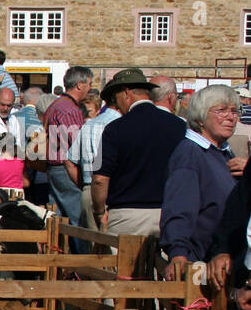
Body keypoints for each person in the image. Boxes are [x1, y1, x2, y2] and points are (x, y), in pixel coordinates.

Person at [160, 85, 246, 281]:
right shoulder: (191, 154)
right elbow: (179, 206)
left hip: (223, 261)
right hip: (201, 264)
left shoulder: (221, 151)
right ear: (200, 117)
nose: (231, 117)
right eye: (221, 110)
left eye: (234, 111)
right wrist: (178, 251)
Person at [92, 69, 187, 237]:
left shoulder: (114, 129)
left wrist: (99, 212)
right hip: (169, 211)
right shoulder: (179, 126)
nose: (116, 103)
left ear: (126, 93)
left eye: (116, 98)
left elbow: (100, 179)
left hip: (127, 215)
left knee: (124, 263)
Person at [41, 66, 93, 242]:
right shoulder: (69, 109)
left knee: (58, 218)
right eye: (89, 84)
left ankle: (61, 261)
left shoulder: (56, 104)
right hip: (64, 169)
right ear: (80, 85)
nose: (90, 88)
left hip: (55, 168)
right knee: (78, 220)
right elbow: (78, 142)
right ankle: (80, 263)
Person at [69, 90, 118, 233]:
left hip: (90, 188)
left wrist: (84, 185)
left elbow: (69, 159)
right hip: (113, 190)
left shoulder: (89, 125)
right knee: (116, 247)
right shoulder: (121, 124)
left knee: (93, 247)